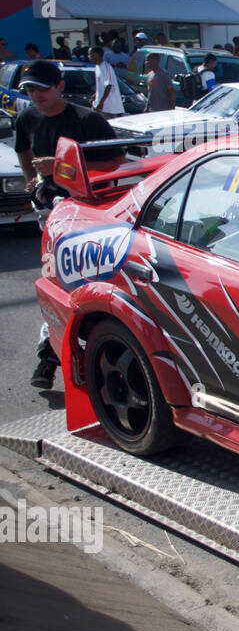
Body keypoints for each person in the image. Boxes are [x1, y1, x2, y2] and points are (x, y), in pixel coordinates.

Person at [12, 60, 116, 388]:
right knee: (56, 283)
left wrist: (60, 166)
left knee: (83, 287)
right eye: (30, 89)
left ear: (59, 86)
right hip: (50, 215)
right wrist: (32, 180)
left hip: (89, 216)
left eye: (42, 88)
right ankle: (51, 355)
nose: (36, 95)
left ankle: (63, 355)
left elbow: (115, 162)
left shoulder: (88, 120)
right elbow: (23, 150)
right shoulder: (27, 117)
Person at [89, 46, 125, 117]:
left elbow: (109, 85)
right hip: (98, 106)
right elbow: (101, 86)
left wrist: (101, 102)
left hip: (109, 108)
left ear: (96, 55)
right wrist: (95, 95)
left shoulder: (106, 67)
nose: (88, 56)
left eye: (90, 54)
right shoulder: (97, 67)